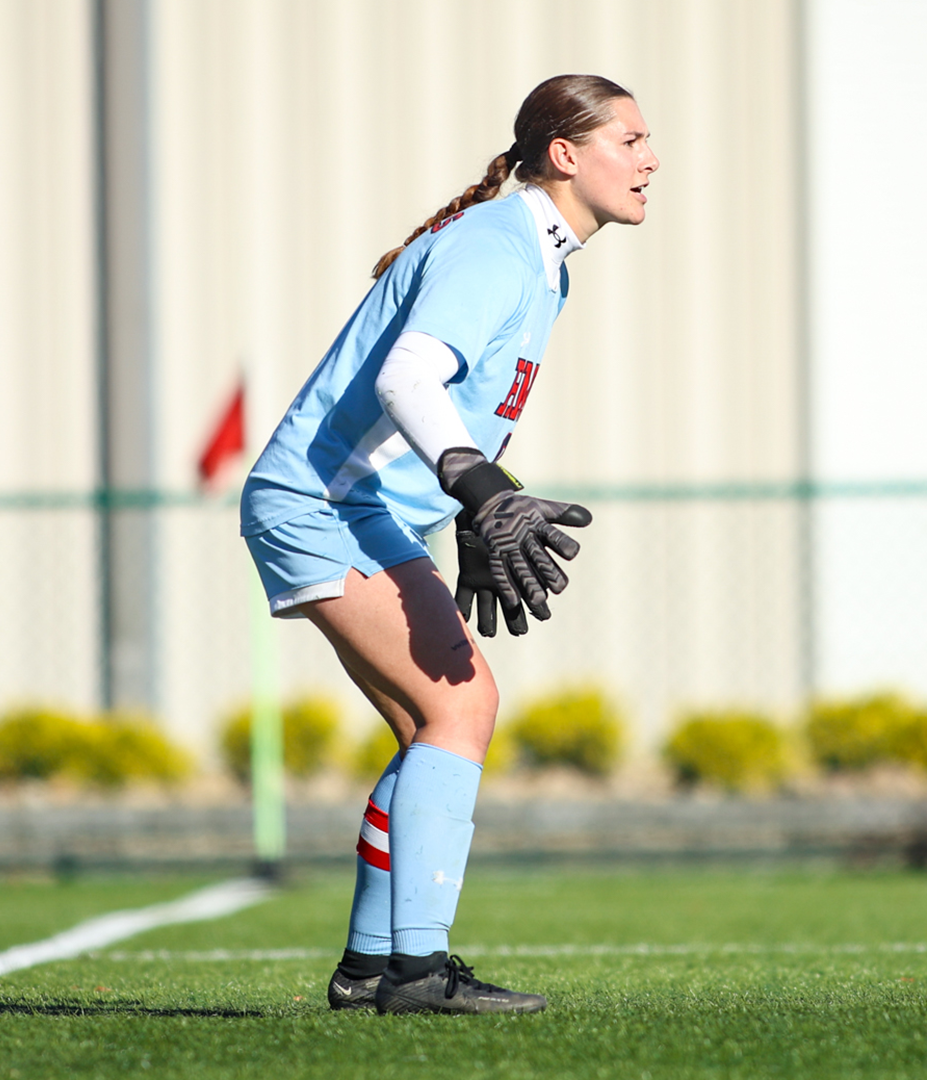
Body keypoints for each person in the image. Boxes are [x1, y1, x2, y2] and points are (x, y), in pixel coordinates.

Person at [238, 75, 658, 1013]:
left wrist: (466, 509)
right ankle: (416, 973)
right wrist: (480, 488)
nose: (649, 160)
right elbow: (409, 378)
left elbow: (455, 407)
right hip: (322, 501)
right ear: (565, 155)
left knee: (430, 728)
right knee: (464, 710)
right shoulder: (498, 245)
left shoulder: (538, 256)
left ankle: (369, 971)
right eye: (628, 140)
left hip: (356, 505)